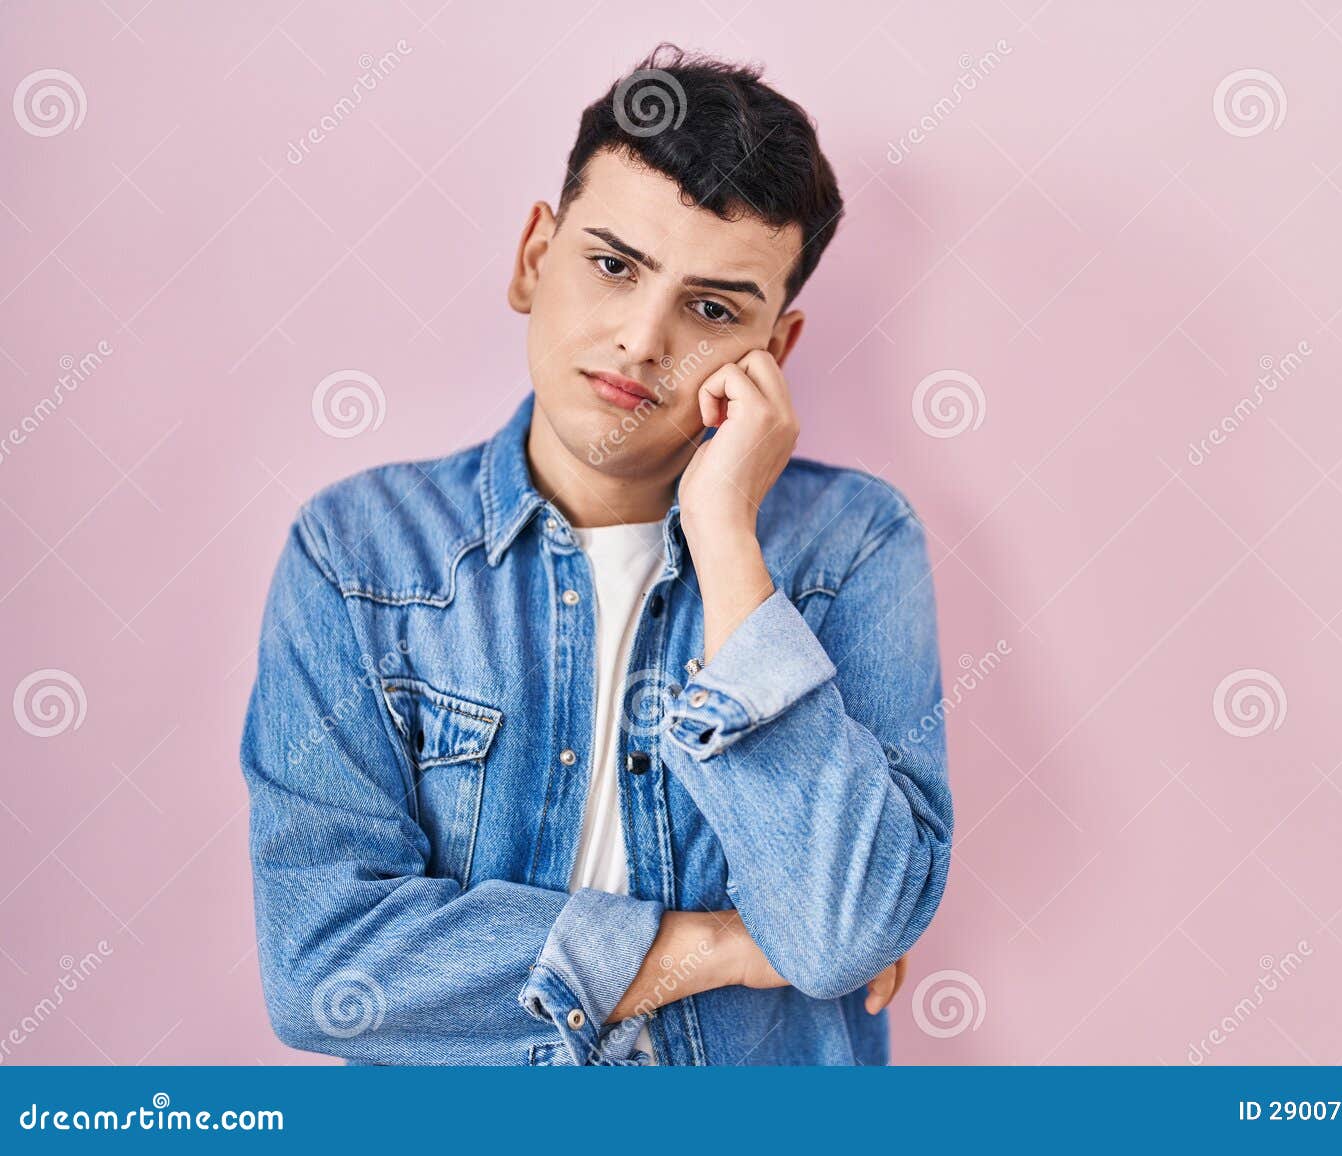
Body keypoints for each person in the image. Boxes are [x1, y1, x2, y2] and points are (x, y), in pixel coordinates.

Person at [240, 43, 953, 1066]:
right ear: (535, 257)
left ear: (773, 352)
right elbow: (324, 972)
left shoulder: (854, 542)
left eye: (712, 309)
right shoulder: (358, 552)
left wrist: (725, 536)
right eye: (614, 266)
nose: (643, 340)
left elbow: (844, 931)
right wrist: (717, 947)